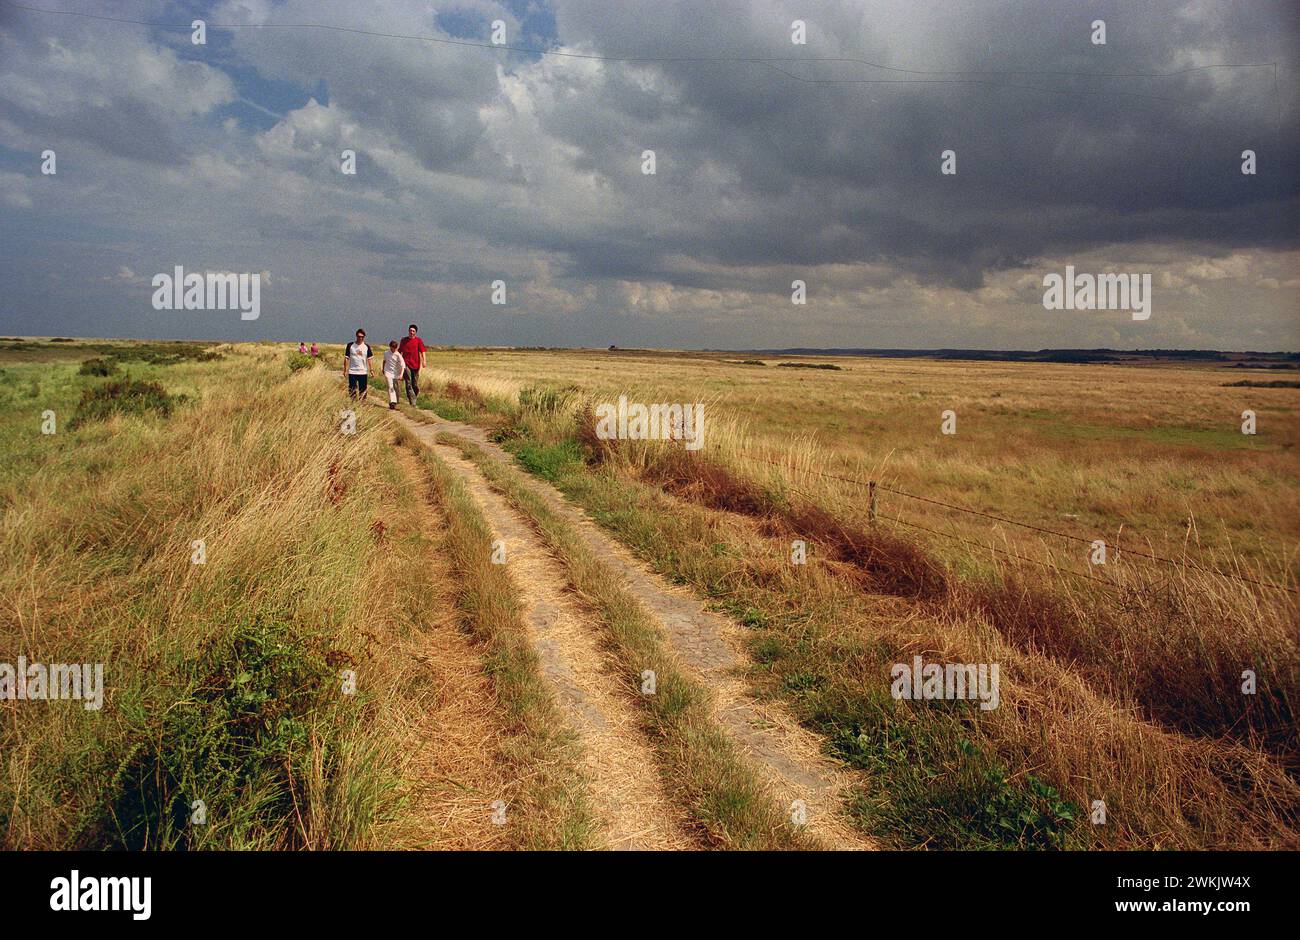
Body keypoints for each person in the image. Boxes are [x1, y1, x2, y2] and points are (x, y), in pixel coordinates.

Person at [397, 323, 427, 406]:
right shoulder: (404, 340)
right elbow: (399, 351)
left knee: (415, 384)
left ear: (415, 332)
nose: (411, 332)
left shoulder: (418, 340)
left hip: (416, 364)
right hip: (406, 364)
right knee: (408, 382)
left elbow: (423, 351)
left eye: (413, 331)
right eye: (410, 330)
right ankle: (412, 402)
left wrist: (424, 361)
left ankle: (414, 396)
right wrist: (396, 360)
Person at [343, 329, 373, 399]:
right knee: (352, 389)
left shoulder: (366, 346)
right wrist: (345, 370)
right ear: (356, 336)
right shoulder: (350, 345)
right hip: (352, 371)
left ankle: (362, 404)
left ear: (364, 337)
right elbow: (346, 358)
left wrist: (371, 370)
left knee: (363, 390)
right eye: (359, 336)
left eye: (362, 337)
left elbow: (369, 359)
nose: (360, 338)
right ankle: (353, 403)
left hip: (363, 372)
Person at [382, 340, 406, 410]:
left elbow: (403, 366)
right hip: (388, 372)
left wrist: (401, 375)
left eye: (395, 348)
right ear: (390, 347)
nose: (394, 349)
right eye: (393, 348)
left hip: (396, 373)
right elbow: (384, 361)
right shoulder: (386, 353)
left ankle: (395, 401)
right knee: (390, 386)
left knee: (396, 387)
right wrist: (383, 369)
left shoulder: (398, 355)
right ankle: (393, 402)